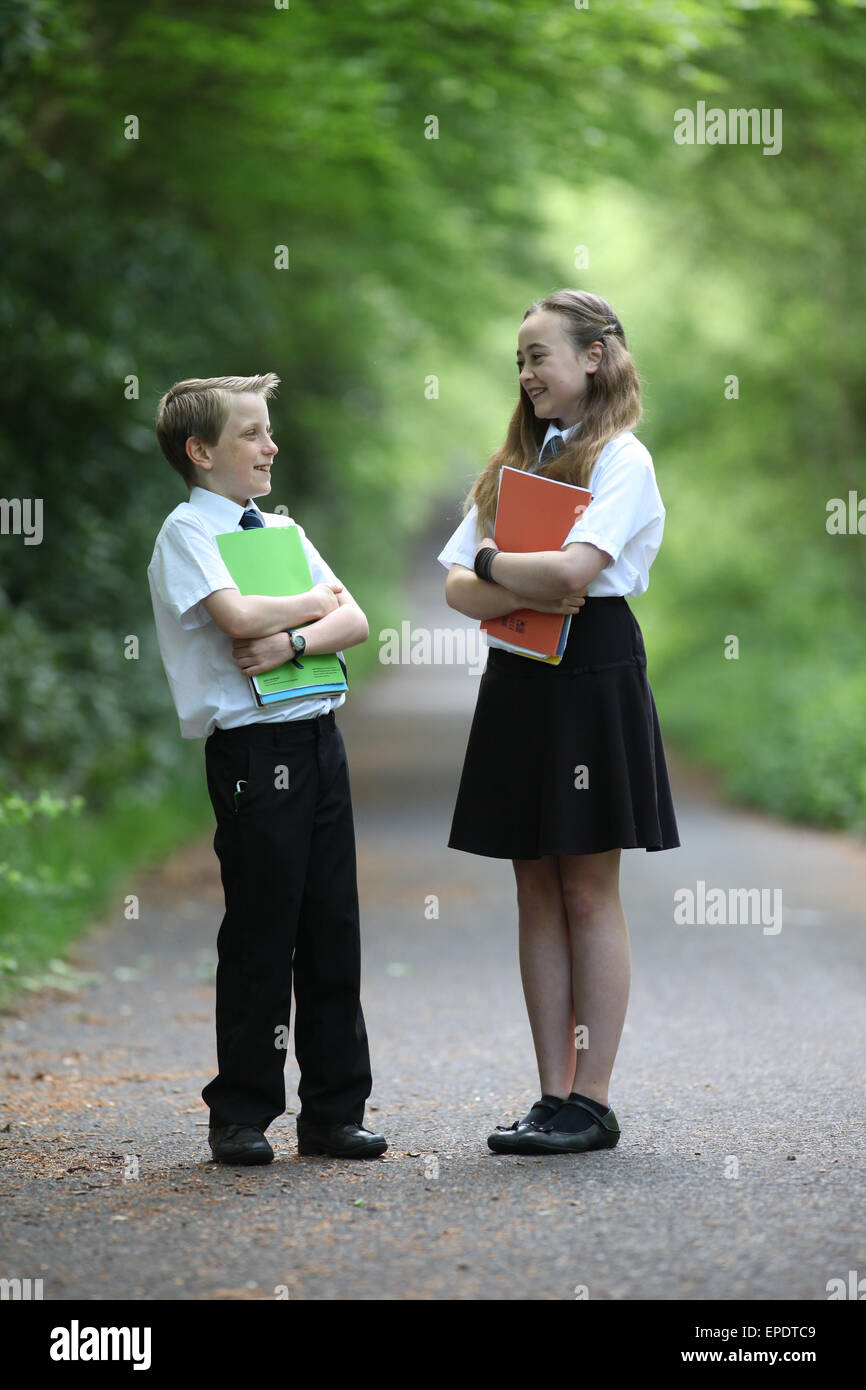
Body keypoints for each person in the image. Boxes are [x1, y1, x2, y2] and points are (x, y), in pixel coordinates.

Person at [438, 290, 680, 1155]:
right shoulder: (516, 463)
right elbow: (457, 587)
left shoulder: (623, 459)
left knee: (585, 885)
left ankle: (594, 1099)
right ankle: (550, 1096)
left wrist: (494, 564)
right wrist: (508, 570)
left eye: (540, 354)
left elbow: (579, 574)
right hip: (519, 670)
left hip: (591, 670)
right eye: (521, 360)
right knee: (532, 882)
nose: (528, 372)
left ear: (595, 357)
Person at [147, 373, 386, 1164]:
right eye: (251, 434)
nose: (269, 446)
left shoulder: (279, 529)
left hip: (320, 740)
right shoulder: (189, 533)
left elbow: (352, 618)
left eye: (267, 431)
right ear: (200, 450)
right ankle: (241, 1113)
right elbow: (237, 617)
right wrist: (309, 606)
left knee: (332, 928)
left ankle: (333, 1111)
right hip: (254, 752)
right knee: (261, 930)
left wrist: (292, 638)